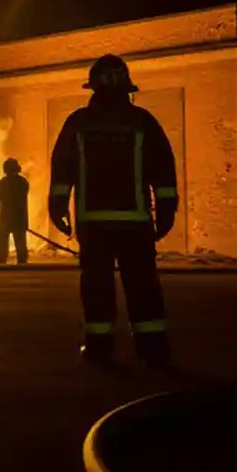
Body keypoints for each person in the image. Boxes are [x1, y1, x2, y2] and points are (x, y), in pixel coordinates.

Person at [49, 54, 178, 365]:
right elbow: (163, 171)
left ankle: (99, 347)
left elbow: (62, 169)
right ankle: (152, 347)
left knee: (96, 286)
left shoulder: (78, 122)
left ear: (93, 88)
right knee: (143, 285)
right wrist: (166, 211)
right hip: (136, 223)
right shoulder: (143, 122)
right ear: (126, 89)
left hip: (93, 224)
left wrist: (58, 208)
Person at [0, 157, 30, 265]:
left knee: (2, 244)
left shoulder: (2, 184)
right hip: (20, 218)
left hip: (5, 219)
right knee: (21, 243)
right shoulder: (23, 182)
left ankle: (1, 262)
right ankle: (22, 262)